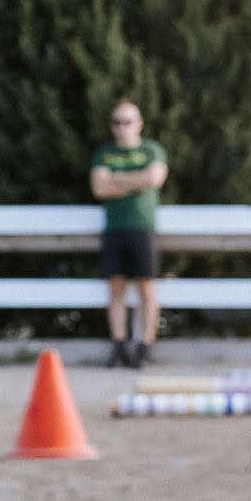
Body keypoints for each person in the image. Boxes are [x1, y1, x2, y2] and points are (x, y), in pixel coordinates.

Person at [91, 100, 168, 368]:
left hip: (142, 227)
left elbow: (154, 179)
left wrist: (117, 180)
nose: (122, 128)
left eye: (128, 121)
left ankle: (144, 346)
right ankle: (119, 343)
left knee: (146, 287)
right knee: (116, 288)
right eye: (117, 122)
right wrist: (137, 181)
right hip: (114, 229)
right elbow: (100, 188)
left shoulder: (151, 150)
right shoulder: (105, 153)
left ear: (139, 123)